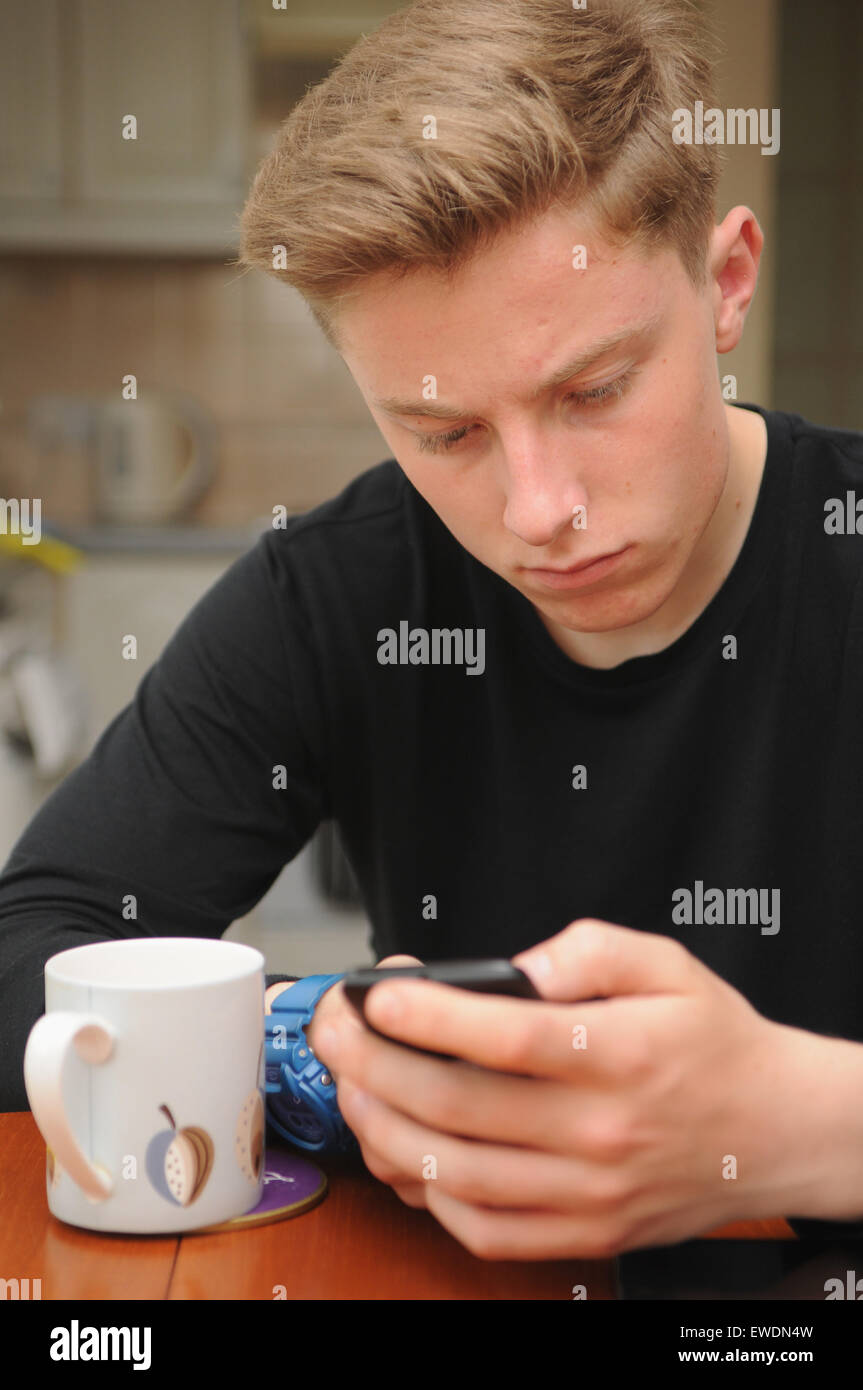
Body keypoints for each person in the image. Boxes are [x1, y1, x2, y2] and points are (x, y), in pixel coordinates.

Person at [3, 0, 863, 1260]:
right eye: (442, 432)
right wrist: (305, 1039)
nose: (537, 512)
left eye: (596, 390)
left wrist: (790, 1124)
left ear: (724, 281)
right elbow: (36, 942)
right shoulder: (335, 588)